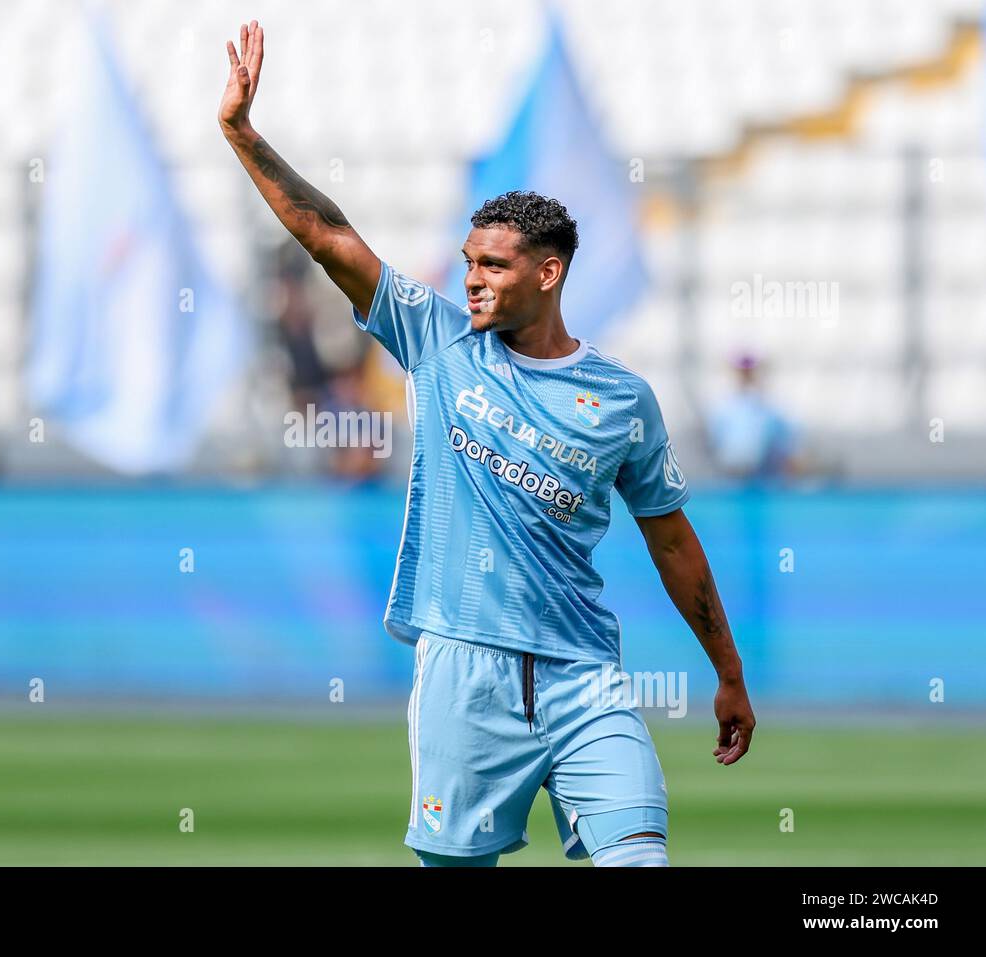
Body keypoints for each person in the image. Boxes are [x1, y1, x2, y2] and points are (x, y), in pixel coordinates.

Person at [219, 21, 754, 867]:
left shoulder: (622, 400)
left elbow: (673, 540)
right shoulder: (436, 342)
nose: (471, 277)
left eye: (495, 265)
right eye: (469, 260)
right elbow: (328, 236)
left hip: (586, 675)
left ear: (548, 273)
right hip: (464, 674)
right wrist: (244, 135)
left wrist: (727, 670)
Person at [705, 354, 800, 480]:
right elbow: (716, 442)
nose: (746, 376)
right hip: (731, 475)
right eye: (743, 372)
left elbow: (786, 446)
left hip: (764, 475)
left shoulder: (770, 406)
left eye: (750, 372)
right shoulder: (722, 407)